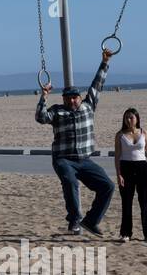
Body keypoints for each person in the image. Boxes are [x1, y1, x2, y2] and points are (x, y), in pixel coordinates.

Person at [36, 49, 116, 236]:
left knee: (108, 186)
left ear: (80, 97)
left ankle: (91, 221)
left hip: (84, 160)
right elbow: (40, 117)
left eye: (75, 97)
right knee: (70, 182)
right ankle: (74, 220)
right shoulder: (57, 111)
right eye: (68, 98)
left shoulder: (88, 106)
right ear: (64, 99)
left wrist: (105, 62)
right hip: (63, 159)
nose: (72, 100)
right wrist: (44, 96)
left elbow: (98, 84)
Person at [114, 108, 147, 242]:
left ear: (137, 118)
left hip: (142, 168)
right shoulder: (120, 135)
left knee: (144, 202)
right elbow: (117, 156)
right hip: (126, 168)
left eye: (131, 117)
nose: (128, 120)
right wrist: (118, 174)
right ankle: (126, 233)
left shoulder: (144, 133)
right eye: (126, 118)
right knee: (126, 202)